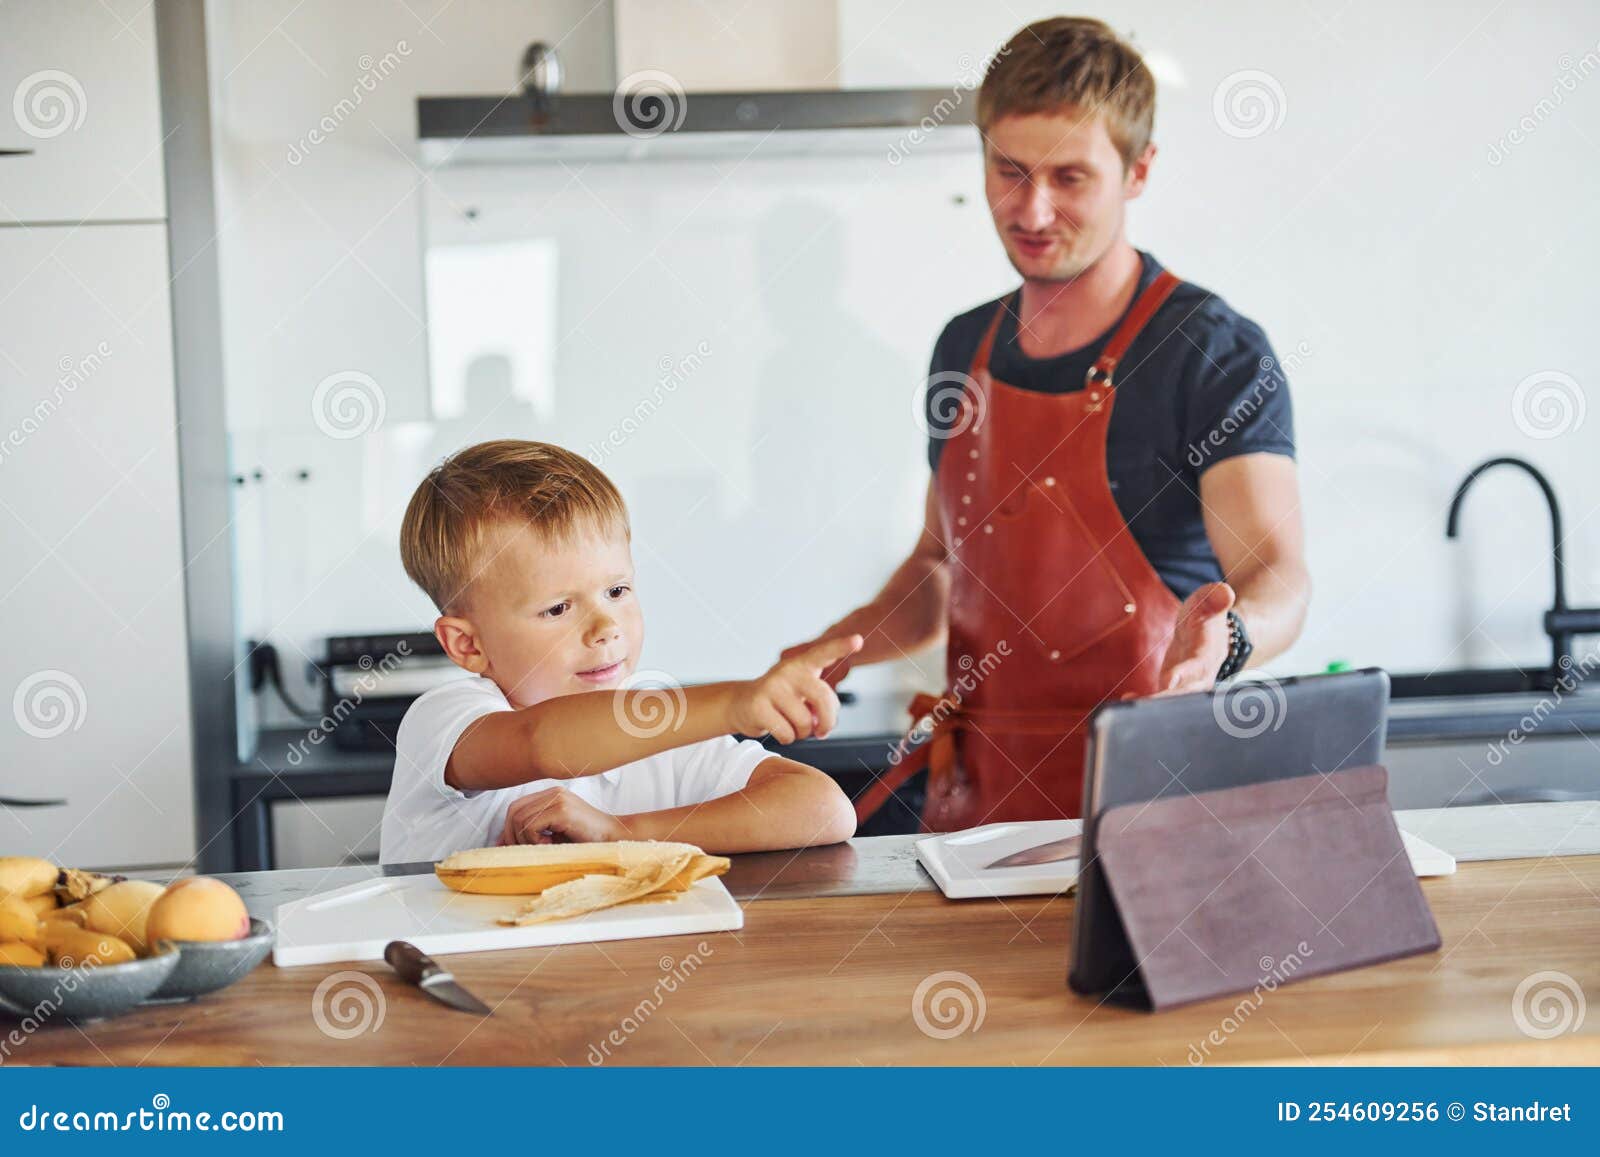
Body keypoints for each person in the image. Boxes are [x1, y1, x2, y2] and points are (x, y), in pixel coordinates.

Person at [782, 17, 1310, 834]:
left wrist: (1227, 642)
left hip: (1146, 809)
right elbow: (935, 566)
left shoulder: (1211, 353)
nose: (1031, 209)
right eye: (1009, 170)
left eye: (1070, 177)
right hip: (975, 814)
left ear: (1139, 171)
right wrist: (827, 650)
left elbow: (1278, 574)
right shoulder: (967, 346)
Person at [379, 439, 858, 863]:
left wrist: (622, 834)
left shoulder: (660, 730)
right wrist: (734, 703)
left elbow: (825, 810)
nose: (606, 627)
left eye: (617, 591)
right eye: (558, 608)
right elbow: (544, 744)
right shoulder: (445, 721)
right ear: (468, 645)